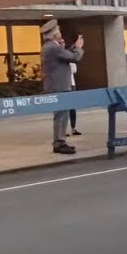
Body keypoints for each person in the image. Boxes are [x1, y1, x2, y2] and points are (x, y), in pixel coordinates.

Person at [40, 20, 83, 154]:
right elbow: (75, 58)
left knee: (62, 115)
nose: (60, 33)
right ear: (53, 34)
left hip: (57, 85)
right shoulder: (53, 47)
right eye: (58, 31)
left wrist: (70, 48)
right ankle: (59, 143)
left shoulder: (51, 47)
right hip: (58, 86)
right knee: (61, 115)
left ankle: (60, 141)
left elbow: (65, 56)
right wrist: (78, 47)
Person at [67, 60, 80, 136]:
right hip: (62, 84)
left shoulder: (70, 57)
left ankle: (73, 128)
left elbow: (74, 70)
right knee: (63, 108)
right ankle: (63, 130)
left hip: (72, 84)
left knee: (72, 107)